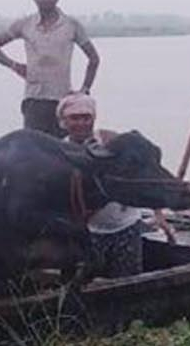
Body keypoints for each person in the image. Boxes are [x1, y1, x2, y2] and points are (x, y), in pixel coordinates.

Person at [0, 0, 100, 135]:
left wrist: (84, 91)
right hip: (34, 101)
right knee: (33, 152)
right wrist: (14, 65)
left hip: (63, 101)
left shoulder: (71, 25)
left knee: (64, 152)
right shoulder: (25, 24)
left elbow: (93, 59)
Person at [57, 92, 147, 276]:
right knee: (87, 280)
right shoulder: (60, 152)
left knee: (128, 281)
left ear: (94, 118)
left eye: (86, 117)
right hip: (89, 230)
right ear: (63, 122)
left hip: (125, 224)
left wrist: (159, 214)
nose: (81, 123)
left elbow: (144, 176)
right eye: (74, 118)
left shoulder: (111, 141)